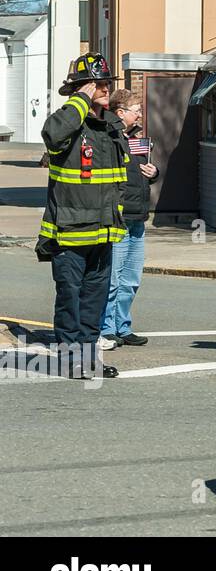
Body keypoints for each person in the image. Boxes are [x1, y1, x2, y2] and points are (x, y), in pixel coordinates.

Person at [37, 53, 128, 379]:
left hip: (104, 231)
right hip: (70, 232)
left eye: (105, 83)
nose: (105, 88)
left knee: (94, 302)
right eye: (98, 84)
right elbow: (53, 135)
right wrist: (80, 98)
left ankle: (88, 359)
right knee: (70, 301)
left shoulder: (110, 126)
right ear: (82, 88)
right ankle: (68, 361)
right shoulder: (67, 122)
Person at [101, 89, 157, 349]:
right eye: (136, 109)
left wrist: (153, 172)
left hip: (138, 218)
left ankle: (123, 326)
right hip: (120, 218)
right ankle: (107, 328)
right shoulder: (109, 138)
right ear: (120, 112)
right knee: (113, 278)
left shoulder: (137, 140)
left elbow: (141, 174)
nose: (140, 114)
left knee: (131, 279)